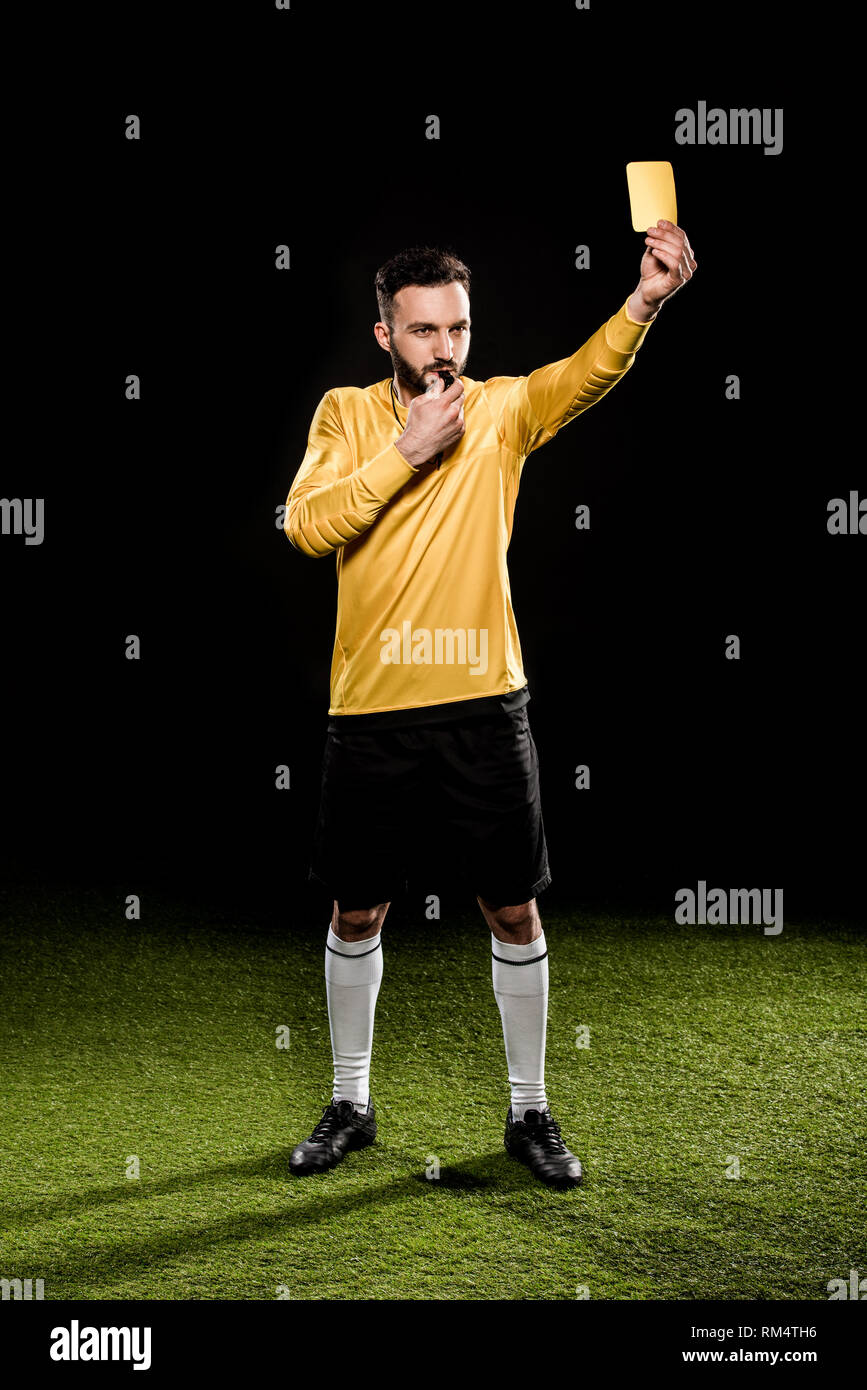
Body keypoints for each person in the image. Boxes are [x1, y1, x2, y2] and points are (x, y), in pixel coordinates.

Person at [283, 225, 697, 1188]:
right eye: (422, 331)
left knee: (513, 911)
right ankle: (350, 1100)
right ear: (384, 334)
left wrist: (644, 301)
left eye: (457, 330)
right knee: (357, 909)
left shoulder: (503, 410)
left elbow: (584, 373)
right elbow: (306, 527)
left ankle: (529, 1111)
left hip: (483, 703)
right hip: (371, 710)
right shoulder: (345, 415)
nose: (443, 350)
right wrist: (403, 453)